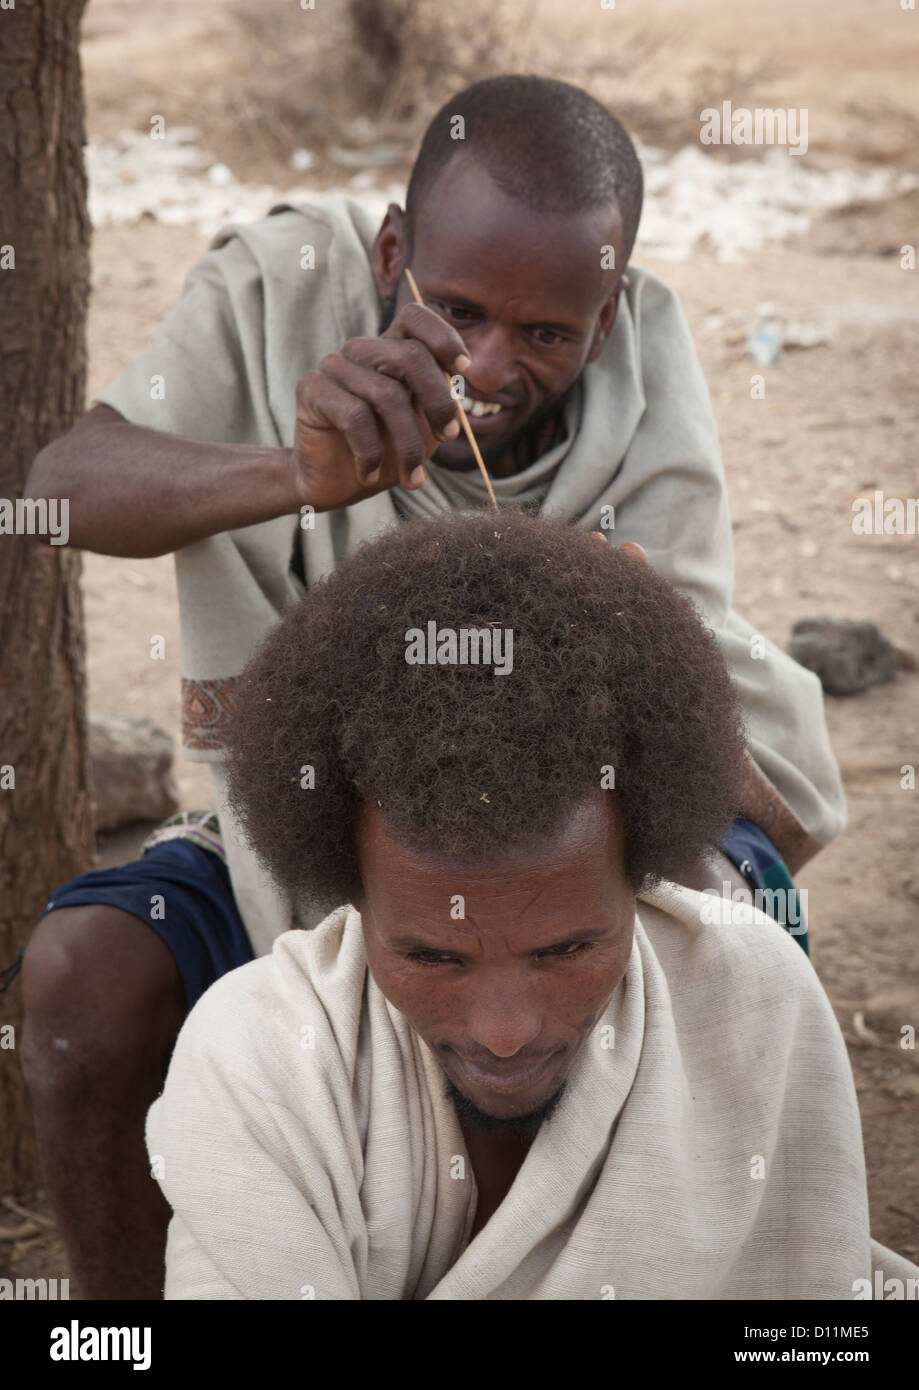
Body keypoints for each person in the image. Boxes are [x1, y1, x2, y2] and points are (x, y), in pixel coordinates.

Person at [20, 75, 845, 1299]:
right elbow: (62, 484)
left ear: (608, 319)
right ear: (393, 254)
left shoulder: (648, 360)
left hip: (575, 810)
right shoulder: (273, 288)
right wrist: (294, 478)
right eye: (458, 311)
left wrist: (625, 634)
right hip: (303, 809)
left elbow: (694, 743)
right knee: (82, 979)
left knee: (718, 935)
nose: (490, 369)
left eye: (550, 334)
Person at [146, 512, 909, 1300]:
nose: (502, 1034)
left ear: (644, 874)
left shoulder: (750, 1001)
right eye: (432, 956)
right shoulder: (258, 1060)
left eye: (565, 951)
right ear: (349, 890)